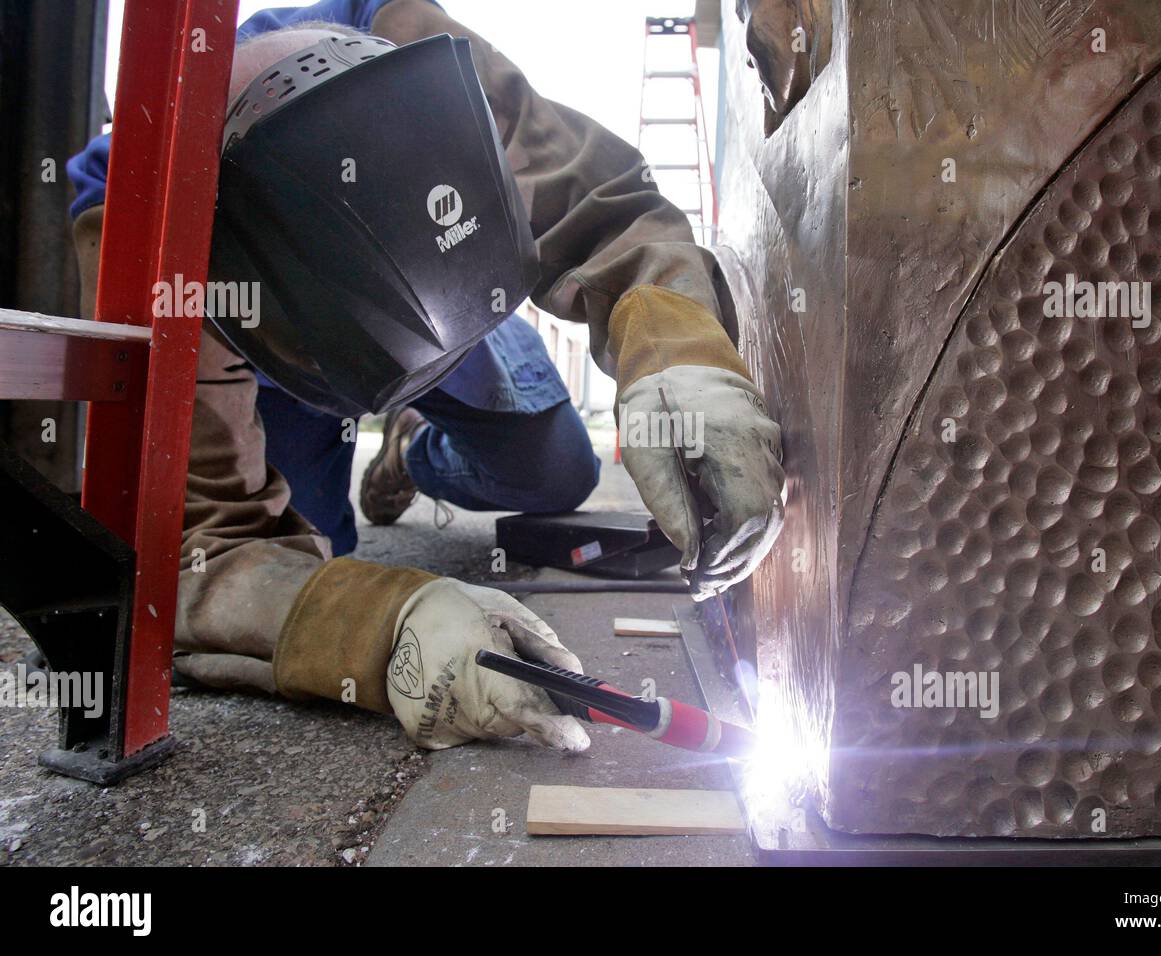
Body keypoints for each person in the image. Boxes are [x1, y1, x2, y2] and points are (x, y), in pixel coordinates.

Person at [68, 0, 785, 753]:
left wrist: (680, 360)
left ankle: (410, 450)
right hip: (281, 379)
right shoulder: (144, 232)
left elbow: (606, 211)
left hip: (457, 305)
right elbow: (200, 547)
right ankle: (359, 429)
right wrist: (384, 627)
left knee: (556, 472)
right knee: (319, 560)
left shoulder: (418, 55)